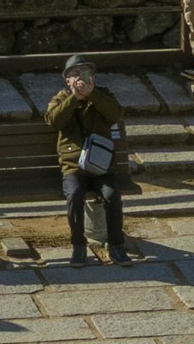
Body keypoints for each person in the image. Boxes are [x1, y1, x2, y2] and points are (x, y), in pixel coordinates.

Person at [46, 53, 131, 266]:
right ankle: (78, 246)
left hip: (101, 166)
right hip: (74, 166)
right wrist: (74, 98)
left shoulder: (103, 95)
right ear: (67, 80)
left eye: (85, 72)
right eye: (76, 73)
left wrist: (92, 95)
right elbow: (54, 121)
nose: (81, 77)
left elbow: (115, 114)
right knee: (75, 194)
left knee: (112, 194)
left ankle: (116, 245)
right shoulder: (61, 98)